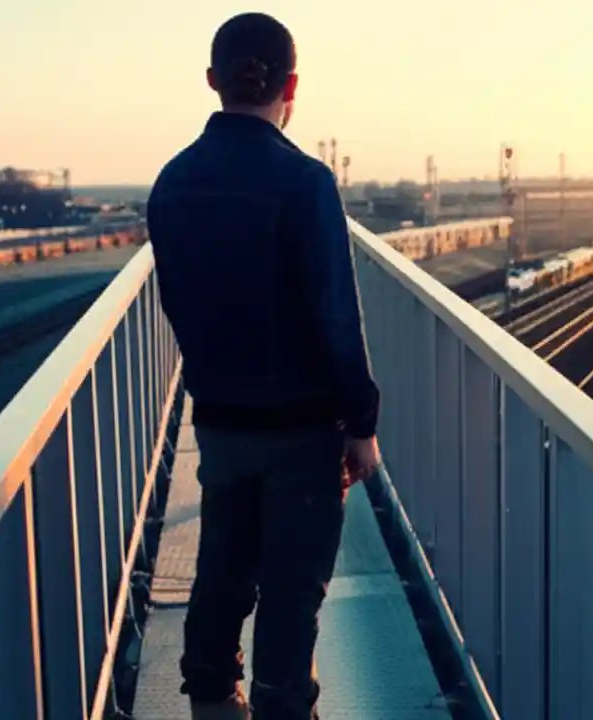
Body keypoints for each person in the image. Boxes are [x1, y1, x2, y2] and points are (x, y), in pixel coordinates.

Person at [146, 12, 381, 720]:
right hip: (303, 432)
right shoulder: (305, 183)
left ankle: (212, 700)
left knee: (220, 567)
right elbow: (338, 317)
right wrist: (360, 423)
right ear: (293, 87)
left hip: (219, 423)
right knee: (290, 590)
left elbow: (182, 303)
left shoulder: (172, 184)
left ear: (214, 81)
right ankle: (283, 706)